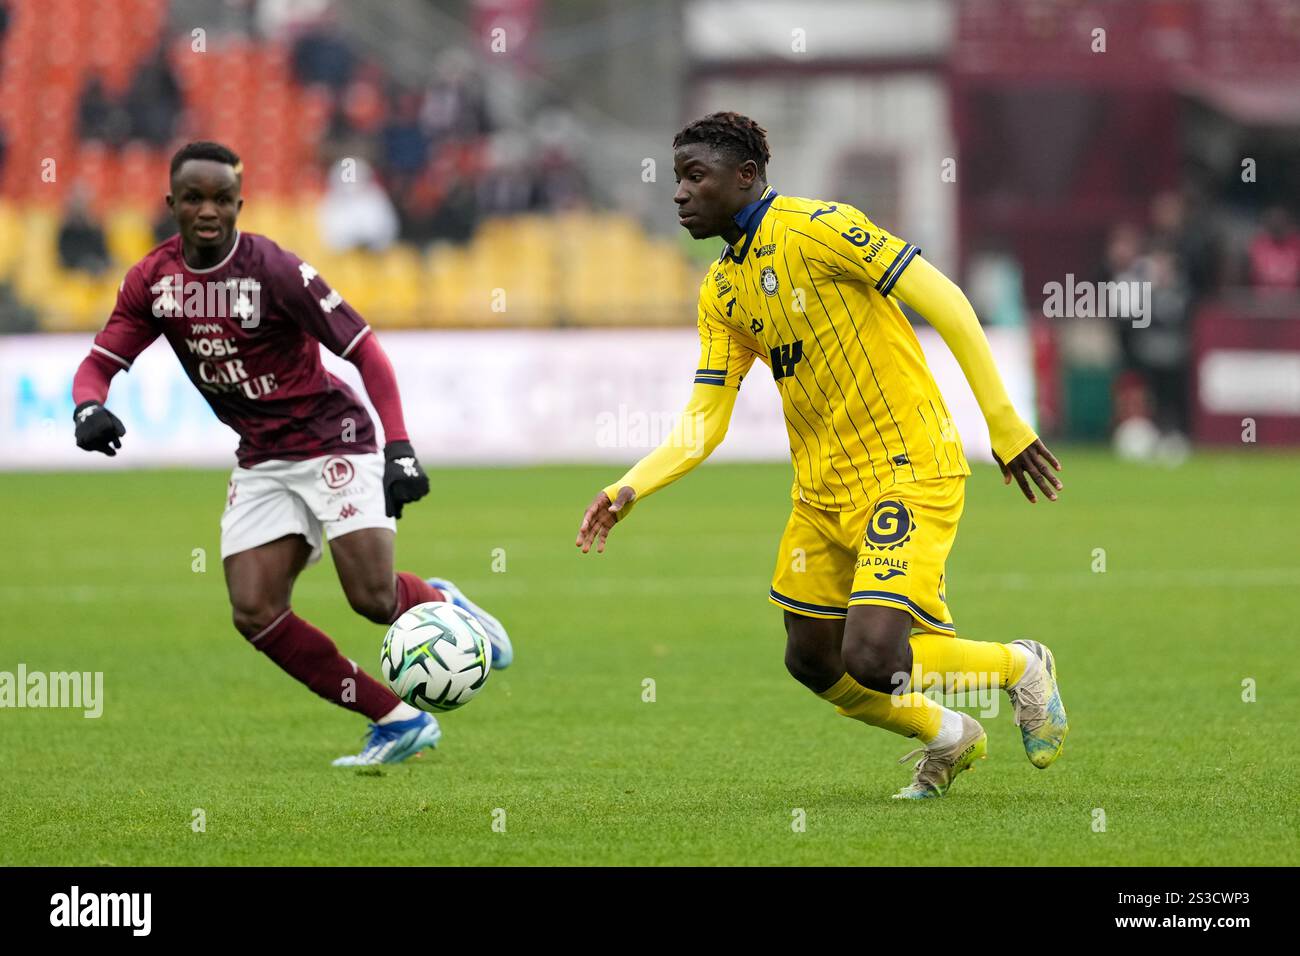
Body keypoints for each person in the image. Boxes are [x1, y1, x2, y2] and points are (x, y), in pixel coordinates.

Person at [576, 113, 1067, 799]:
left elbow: (947, 301)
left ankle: (1019, 667)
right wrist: (632, 486)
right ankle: (950, 735)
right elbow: (706, 420)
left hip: (906, 466)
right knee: (810, 658)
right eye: (676, 179)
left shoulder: (822, 228)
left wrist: (1005, 423)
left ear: (745, 177)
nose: (680, 194)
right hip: (821, 490)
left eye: (695, 177)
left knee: (873, 658)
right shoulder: (721, 290)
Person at [70, 142, 513, 765]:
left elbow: (363, 349)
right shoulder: (153, 281)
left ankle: (443, 605)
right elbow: (98, 363)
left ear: (239, 204)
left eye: (222, 199)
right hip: (262, 457)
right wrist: (88, 406)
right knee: (254, 611)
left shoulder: (274, 269)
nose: (207, 210)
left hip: (333, 438)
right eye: (194, 198)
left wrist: (401, 448)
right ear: (171, 203)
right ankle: (395, 717)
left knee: (373, 599)